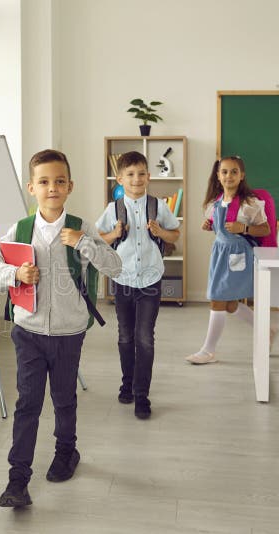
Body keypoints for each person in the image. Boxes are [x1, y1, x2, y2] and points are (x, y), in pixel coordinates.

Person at [0, 149, 122, 508]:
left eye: (59, 181)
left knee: (63, 398)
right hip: (27, 332)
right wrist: (15, 273)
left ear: (70, 186)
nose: (52, 188)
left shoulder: (81, 227)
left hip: (68, 332)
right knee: (27, 403)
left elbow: (115, 266)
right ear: (32, 187)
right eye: (44, 181)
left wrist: (86, 244)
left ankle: (66, 452)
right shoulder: (21, 229)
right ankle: (17, 479)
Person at [95, 151, 180, 419]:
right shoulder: (113, 209)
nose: (136, 179)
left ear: (148, 176)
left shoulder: (157, 206)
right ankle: (127, 384)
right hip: (122, 280)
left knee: (145, 338)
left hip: (151, 280)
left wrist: (160, 232)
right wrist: (115, 233)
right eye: (130, 175)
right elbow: (99, 239)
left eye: (141, 173)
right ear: (120, 179)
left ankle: (142, 395)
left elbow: (174, 233)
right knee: (125, 336)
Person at [186, 156, 271, 365]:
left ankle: (208, 350)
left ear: (242, 176)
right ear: (218, 175)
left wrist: (244, 228)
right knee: (230, 304)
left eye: (234, 172)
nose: (229, 176)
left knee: (218, 299)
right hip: (220, 254)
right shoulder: (214, 203)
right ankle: (266, 331)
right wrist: (209, 225)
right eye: (224, 172)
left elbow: (265, 229)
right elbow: (220, 229)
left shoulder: (250, 204)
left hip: (238, 256)